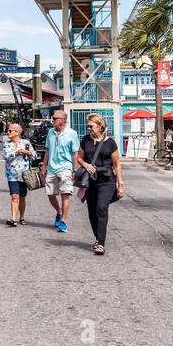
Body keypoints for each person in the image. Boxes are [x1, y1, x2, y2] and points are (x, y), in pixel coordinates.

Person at [75, 113, 123, 255]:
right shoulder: (85, 140)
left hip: (106, 180)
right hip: (90, 181)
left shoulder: (110, 143)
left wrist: (120, 184)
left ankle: (101, 243)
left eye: (91, 126)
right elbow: (79, 157)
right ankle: (97, 237)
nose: (88, 128)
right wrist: (85, 164)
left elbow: (117, 165)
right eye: (88, 125)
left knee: (101, 207)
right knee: (92, 211)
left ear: (100, 126)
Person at [40, 108, 79, 233]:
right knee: (50, 194)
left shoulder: (72, 133)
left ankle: (63, 221)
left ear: (62, 121)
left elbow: (75, 153)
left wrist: (75, 170)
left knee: (65, 194)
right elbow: (47, 149)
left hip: (65, 167)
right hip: (51, 167)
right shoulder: (51, 132)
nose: (52, 120)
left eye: (54, 118)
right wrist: (44, 165)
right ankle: (59, 211)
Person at [2, 122, 34, 226]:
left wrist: (28, 153)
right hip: (12, 174)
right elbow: (5, 156)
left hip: (24, 174)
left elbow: (34, 155)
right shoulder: (7, 144)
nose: (8, 132)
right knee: (14, 196)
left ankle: (22, 217)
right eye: (8, 130)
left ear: (17, 133)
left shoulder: (26, 143)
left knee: (22, 197)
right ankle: (13, 218)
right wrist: (16, 153)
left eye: (10, 130)